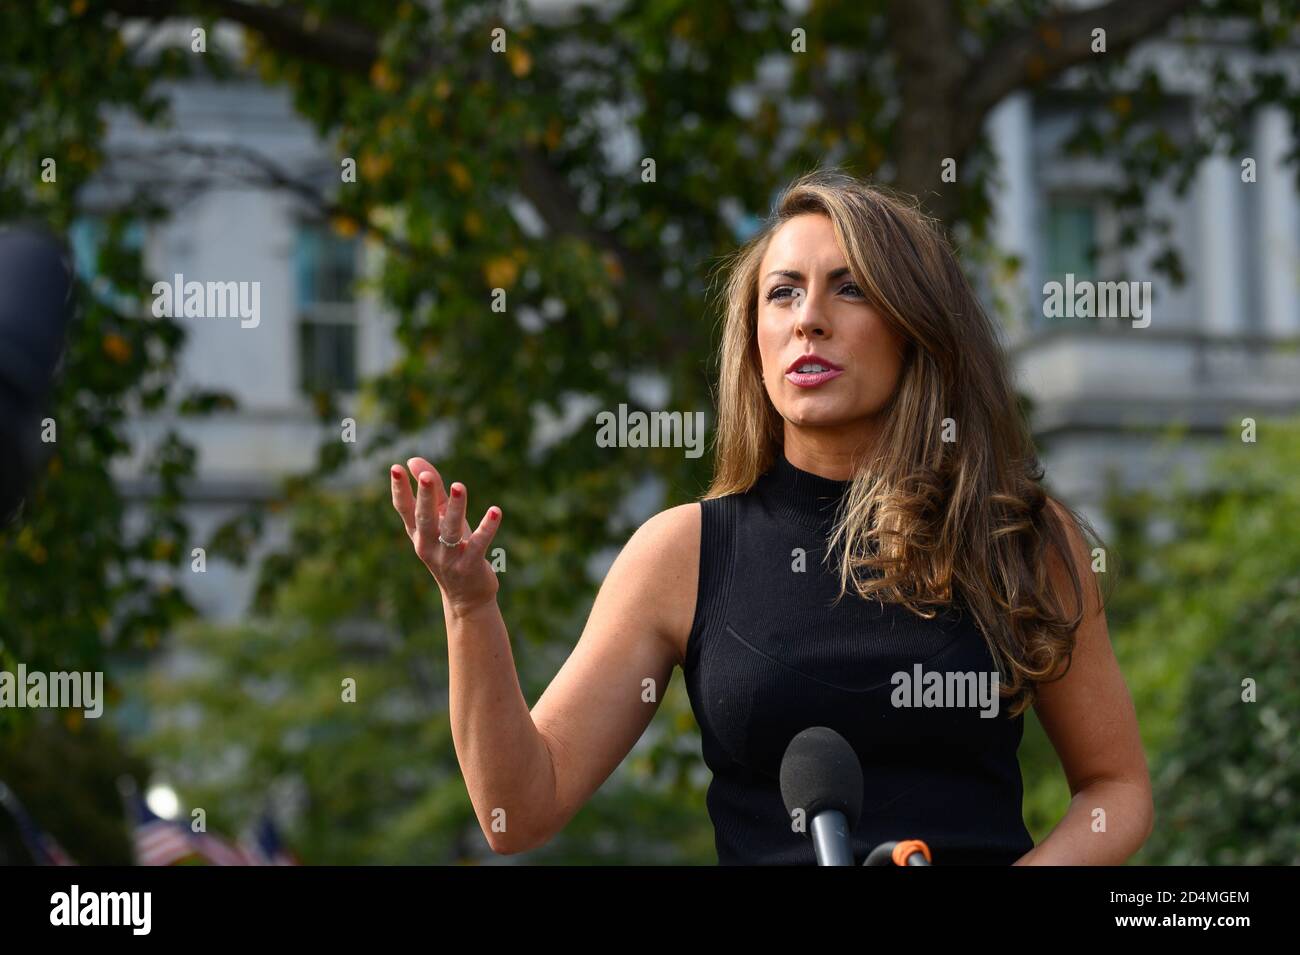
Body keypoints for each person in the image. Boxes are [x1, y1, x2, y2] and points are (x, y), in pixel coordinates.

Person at [388, 170, 1154, 865]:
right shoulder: (684, 552)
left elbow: (1115, 788)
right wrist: (469, 605)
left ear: (915, 328)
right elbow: (516, 810)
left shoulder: (1017, 530)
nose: (808, 319)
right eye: (783, 293)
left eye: (849, 289)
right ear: (753, 341)